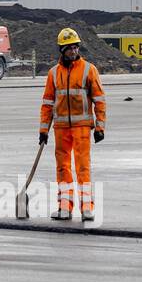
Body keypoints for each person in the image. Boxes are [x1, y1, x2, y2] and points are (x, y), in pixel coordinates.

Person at [38, 27, 106, 221]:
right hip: (60, 129)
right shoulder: (53, 74)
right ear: (62, 50)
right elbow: (47, 103)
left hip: (82, 128)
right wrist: (43, 130)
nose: (73, 51)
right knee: (63, 168)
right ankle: (64, 207)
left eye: (75, 47)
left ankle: (87, 208)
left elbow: (99, 100)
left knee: (82, 168)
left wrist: (100, 127)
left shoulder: (88, 70)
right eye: (69, 48)